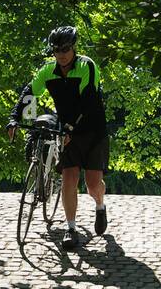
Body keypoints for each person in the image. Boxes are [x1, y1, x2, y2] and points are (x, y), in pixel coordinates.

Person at [6, 24, 109, 250]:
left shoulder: (86, 66)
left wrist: (72, 128)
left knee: (92, 185)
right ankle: (71, 229)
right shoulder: (47, 71)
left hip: (92, 130)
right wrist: (14, 118)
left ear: (73, 48)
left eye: (65, 49)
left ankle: (100, 205)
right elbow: (29, 93)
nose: (61, 55)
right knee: (69, 177)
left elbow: (89, 102)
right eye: (56, 50)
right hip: (67, 131)